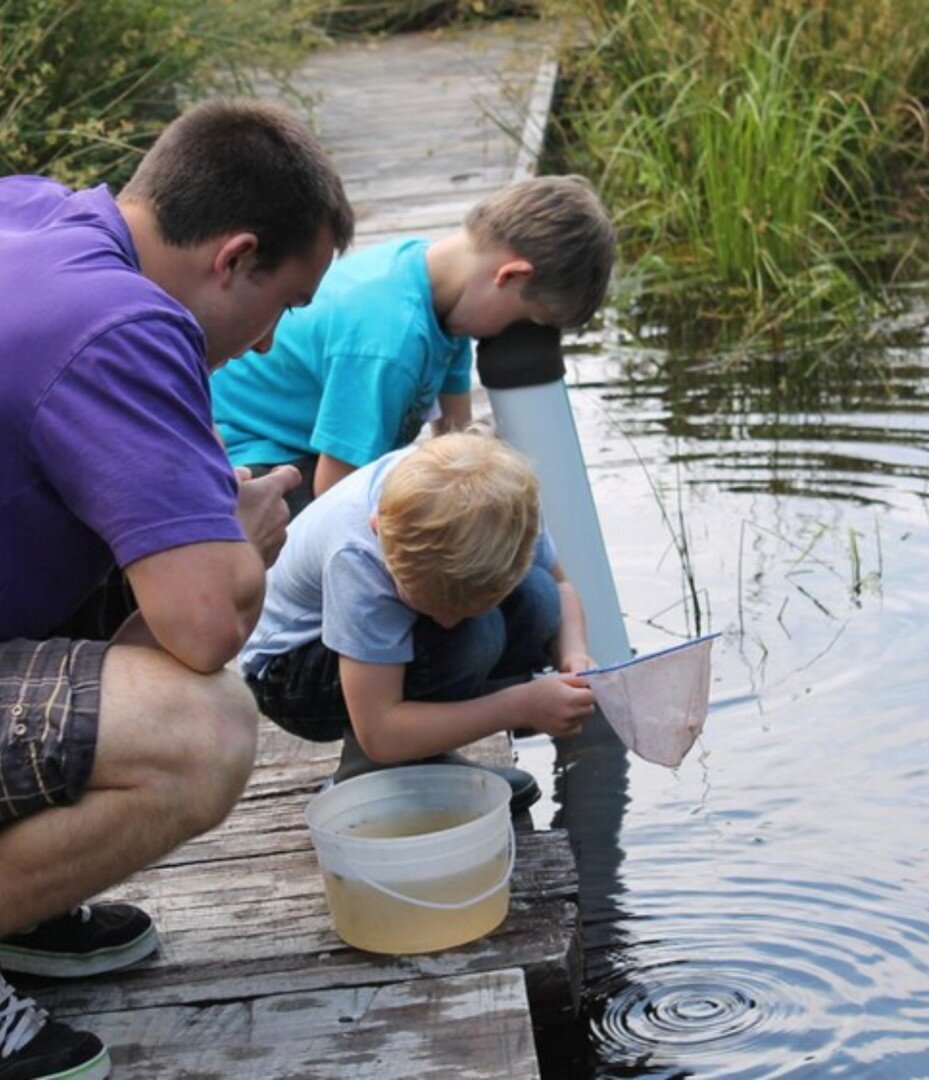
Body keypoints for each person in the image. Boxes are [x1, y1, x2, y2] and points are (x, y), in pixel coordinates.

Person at [0, 98, 354, 1080]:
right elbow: (202, 628)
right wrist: (241, 542)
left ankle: (16, 903)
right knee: (200, 736)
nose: (274, 343)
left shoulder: (35, 214)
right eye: (283, 303)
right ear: (233, 258)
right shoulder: (125, 322)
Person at [241, 428, 597, 812]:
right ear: (379, 527)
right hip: (288, 675)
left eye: (461, 609)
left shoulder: (509, 510)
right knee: (476, 636)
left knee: (538, 597)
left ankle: (428, 736)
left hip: (357, 649)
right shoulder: (358, 553)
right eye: (433, 605)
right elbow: (379, 730)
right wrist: (519, 706)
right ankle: (374, 769)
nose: (447, 621)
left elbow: (561, 588)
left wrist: (573, 657)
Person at [210, 175, 615, 513]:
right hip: (256, 462)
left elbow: (457, 442)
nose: (510, 339)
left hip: (319, 454)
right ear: (510, 276)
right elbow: (337, 495)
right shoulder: (390, 340)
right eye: (524, 322)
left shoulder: (444, 299)